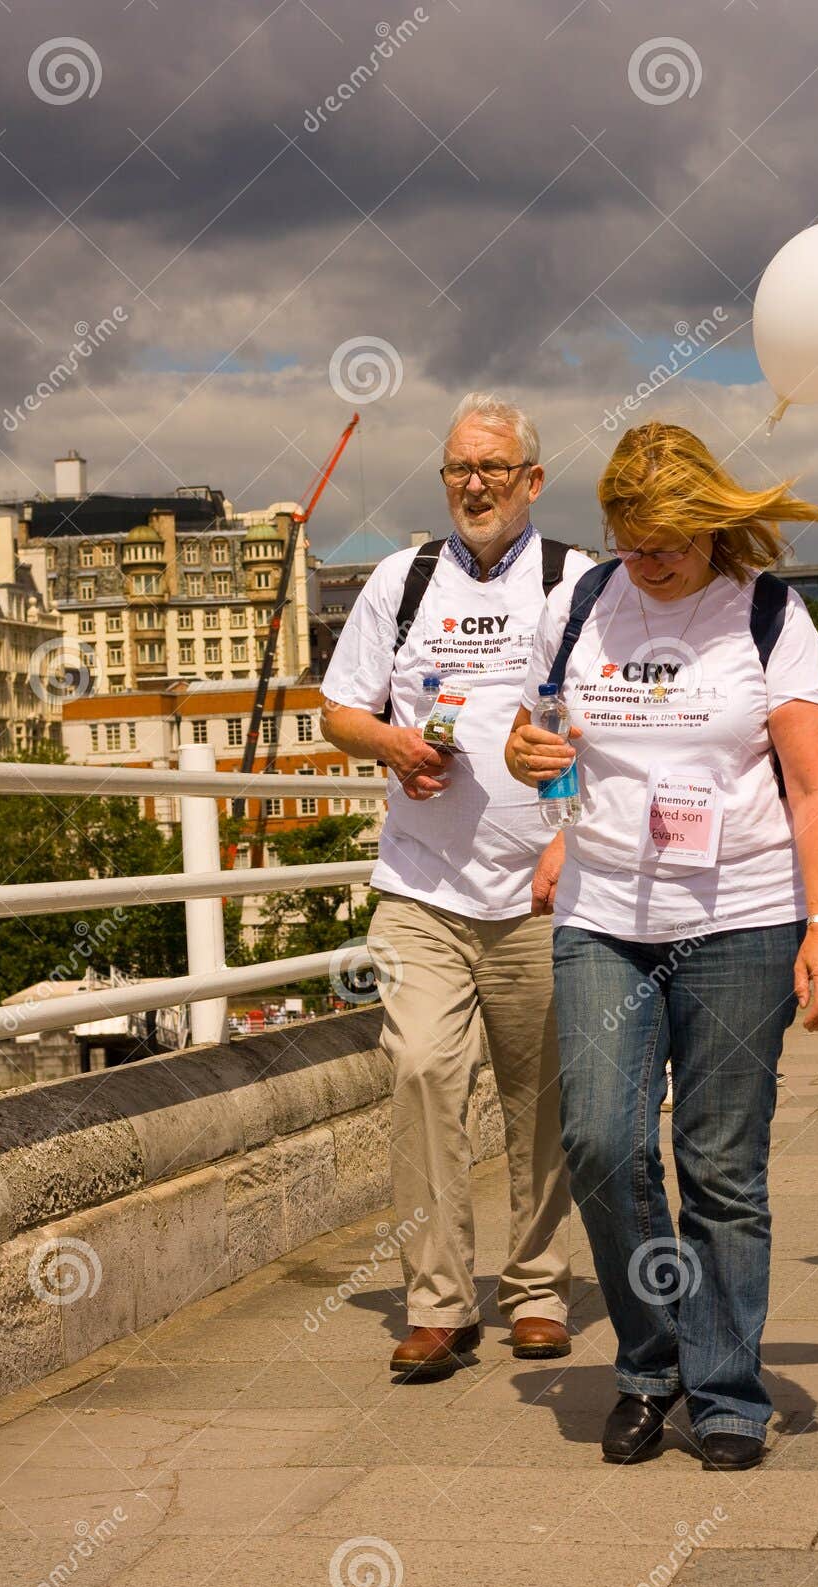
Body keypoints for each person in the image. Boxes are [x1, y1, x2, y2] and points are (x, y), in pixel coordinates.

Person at [504, 421, 818, 1471]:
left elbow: (814, 783)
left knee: (718, 1165)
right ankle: (647, 1361)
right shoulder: (576, 605)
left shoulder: (764, 614)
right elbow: (537, 739)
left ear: (708, 524)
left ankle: (724, 1387)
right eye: (629, 538)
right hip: (605, 913)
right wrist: (528, 758)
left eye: (668, 541)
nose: (647, 561)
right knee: (602, 1145)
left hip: (743, 915)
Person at [320, 393, 597, 1379]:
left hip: (537, 887)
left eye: (492, 469)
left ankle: (533, 1289)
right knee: (420, 1070)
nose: (472, 485)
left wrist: (572, 835)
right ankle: (437, 1303)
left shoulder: (577, 582)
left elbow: (599, 727)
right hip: (421, 883)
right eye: (456, 470)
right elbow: (336, 711)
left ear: (530, 479)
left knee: (538, 1097)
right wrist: (391, 742)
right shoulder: (401, 582)